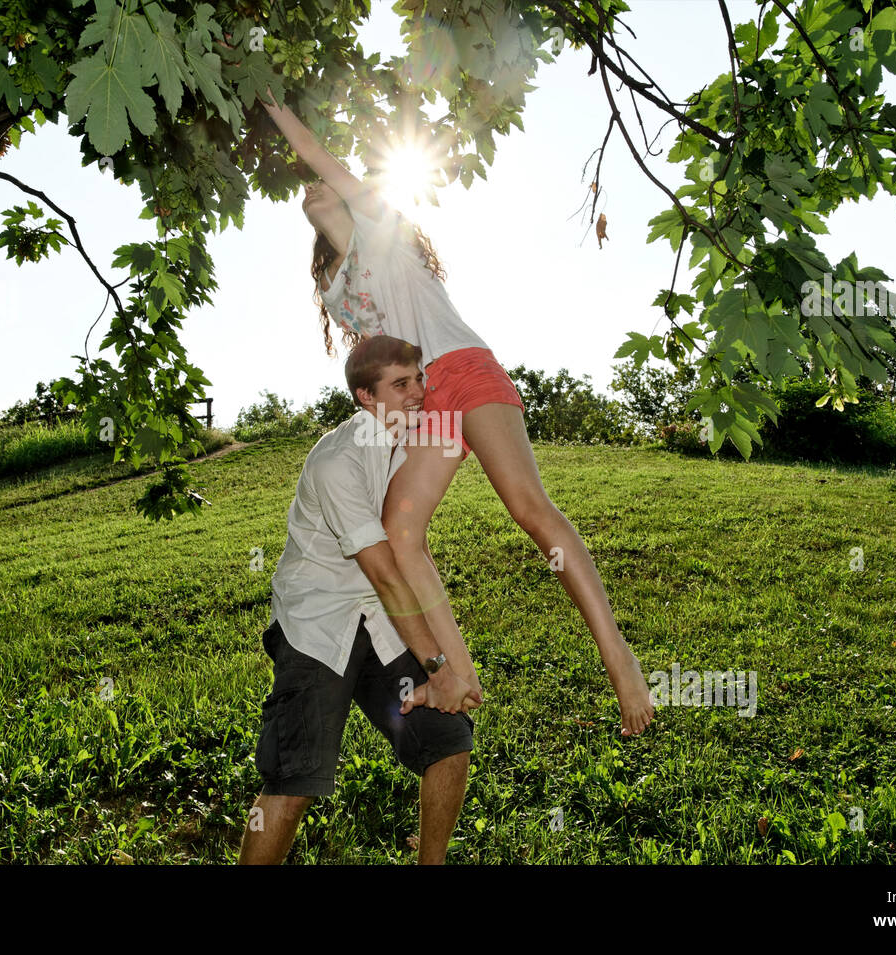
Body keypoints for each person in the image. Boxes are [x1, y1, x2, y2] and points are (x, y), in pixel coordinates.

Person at [258, 89, 655, 737]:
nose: (312, 187)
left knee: (528, 506)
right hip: (425, 404)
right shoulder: (338, 293)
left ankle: (618, 655)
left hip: (463, 369)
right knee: (400, 530)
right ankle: (457, 671)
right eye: (307, 193)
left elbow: (314, 154)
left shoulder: (386, 234)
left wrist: (269, 100)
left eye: (321, 185)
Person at [239, 335, 482, 865]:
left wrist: (451, 668)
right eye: (401, 384)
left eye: (419, 377)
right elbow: (387, 574)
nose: (419, 391)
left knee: (449, 742)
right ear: (365, 397)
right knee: (293, 780)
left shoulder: (406, 443)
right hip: (317, 628)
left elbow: (410, 556)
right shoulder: (337, 462)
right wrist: (438, 666)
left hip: (377, 622)